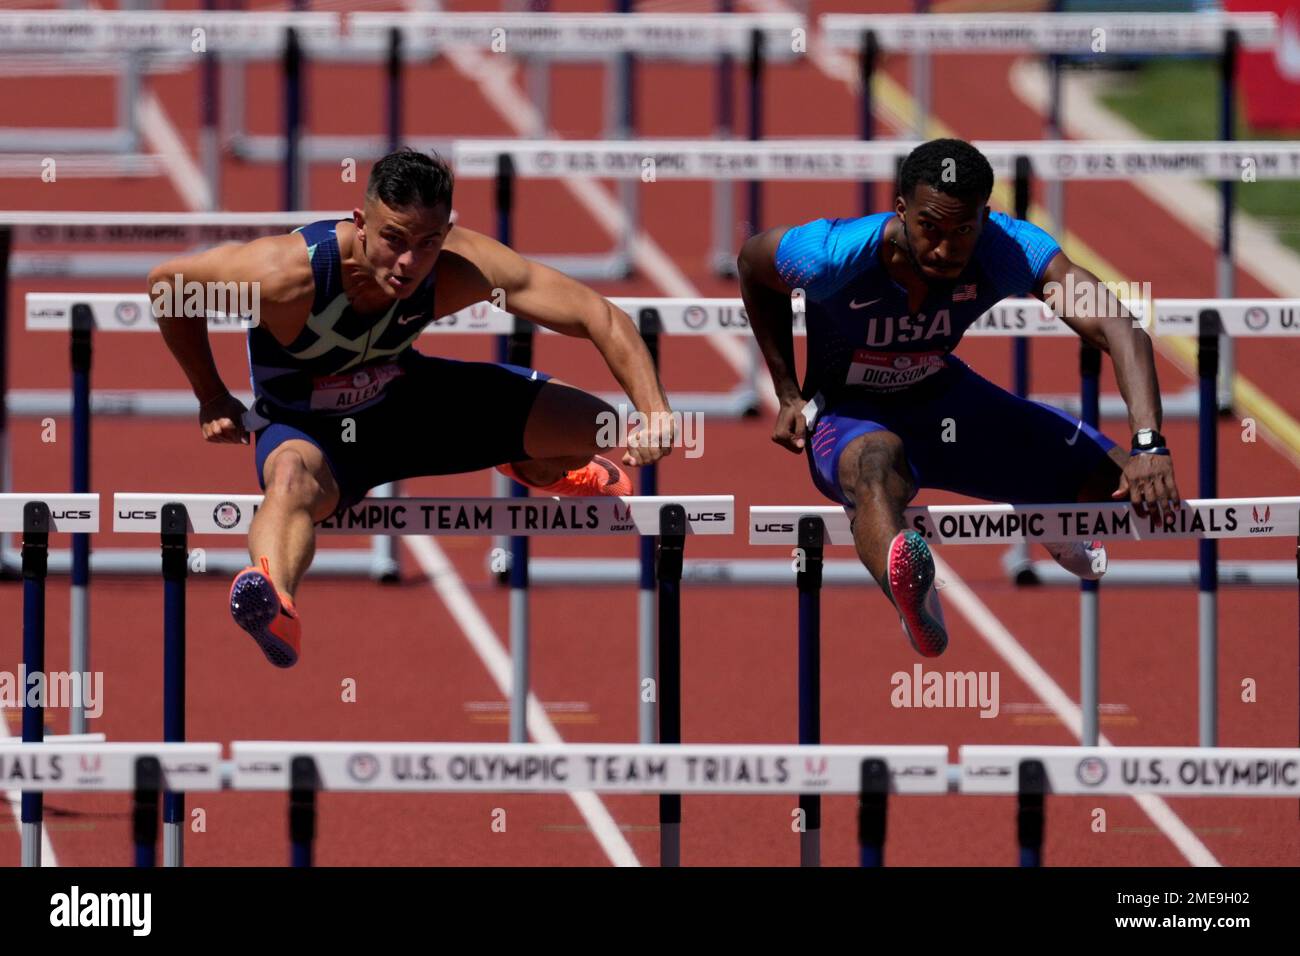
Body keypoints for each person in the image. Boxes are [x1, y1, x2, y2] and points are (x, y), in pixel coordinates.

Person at [152, 148, 673, 667]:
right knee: (289, 483)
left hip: (406, 403)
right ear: (361, 223)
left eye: (426, 243)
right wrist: (210, 393)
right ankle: (277, 600)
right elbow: (168, 287)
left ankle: (532, 462)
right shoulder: (283, 275)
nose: (407, 262)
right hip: (310, 433)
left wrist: (653, 411)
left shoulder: (459, 267)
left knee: (602, 427)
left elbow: (595, 314)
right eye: (393, 239)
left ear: (445, 235)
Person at [738, 138, 1179, 658]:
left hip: (946, 399)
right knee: (874, 471)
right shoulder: (831, 254)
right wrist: (787, 391)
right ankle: (913, 597)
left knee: (1115, 478)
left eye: (964, 230)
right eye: (930, 228)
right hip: (853, 414)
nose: (946, 249)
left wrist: (1149, 444)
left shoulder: (1009, 247)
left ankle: (1041, 498)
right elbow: (752, 264)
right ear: (900, 210)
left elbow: (1117, 325)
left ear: (985, 217)